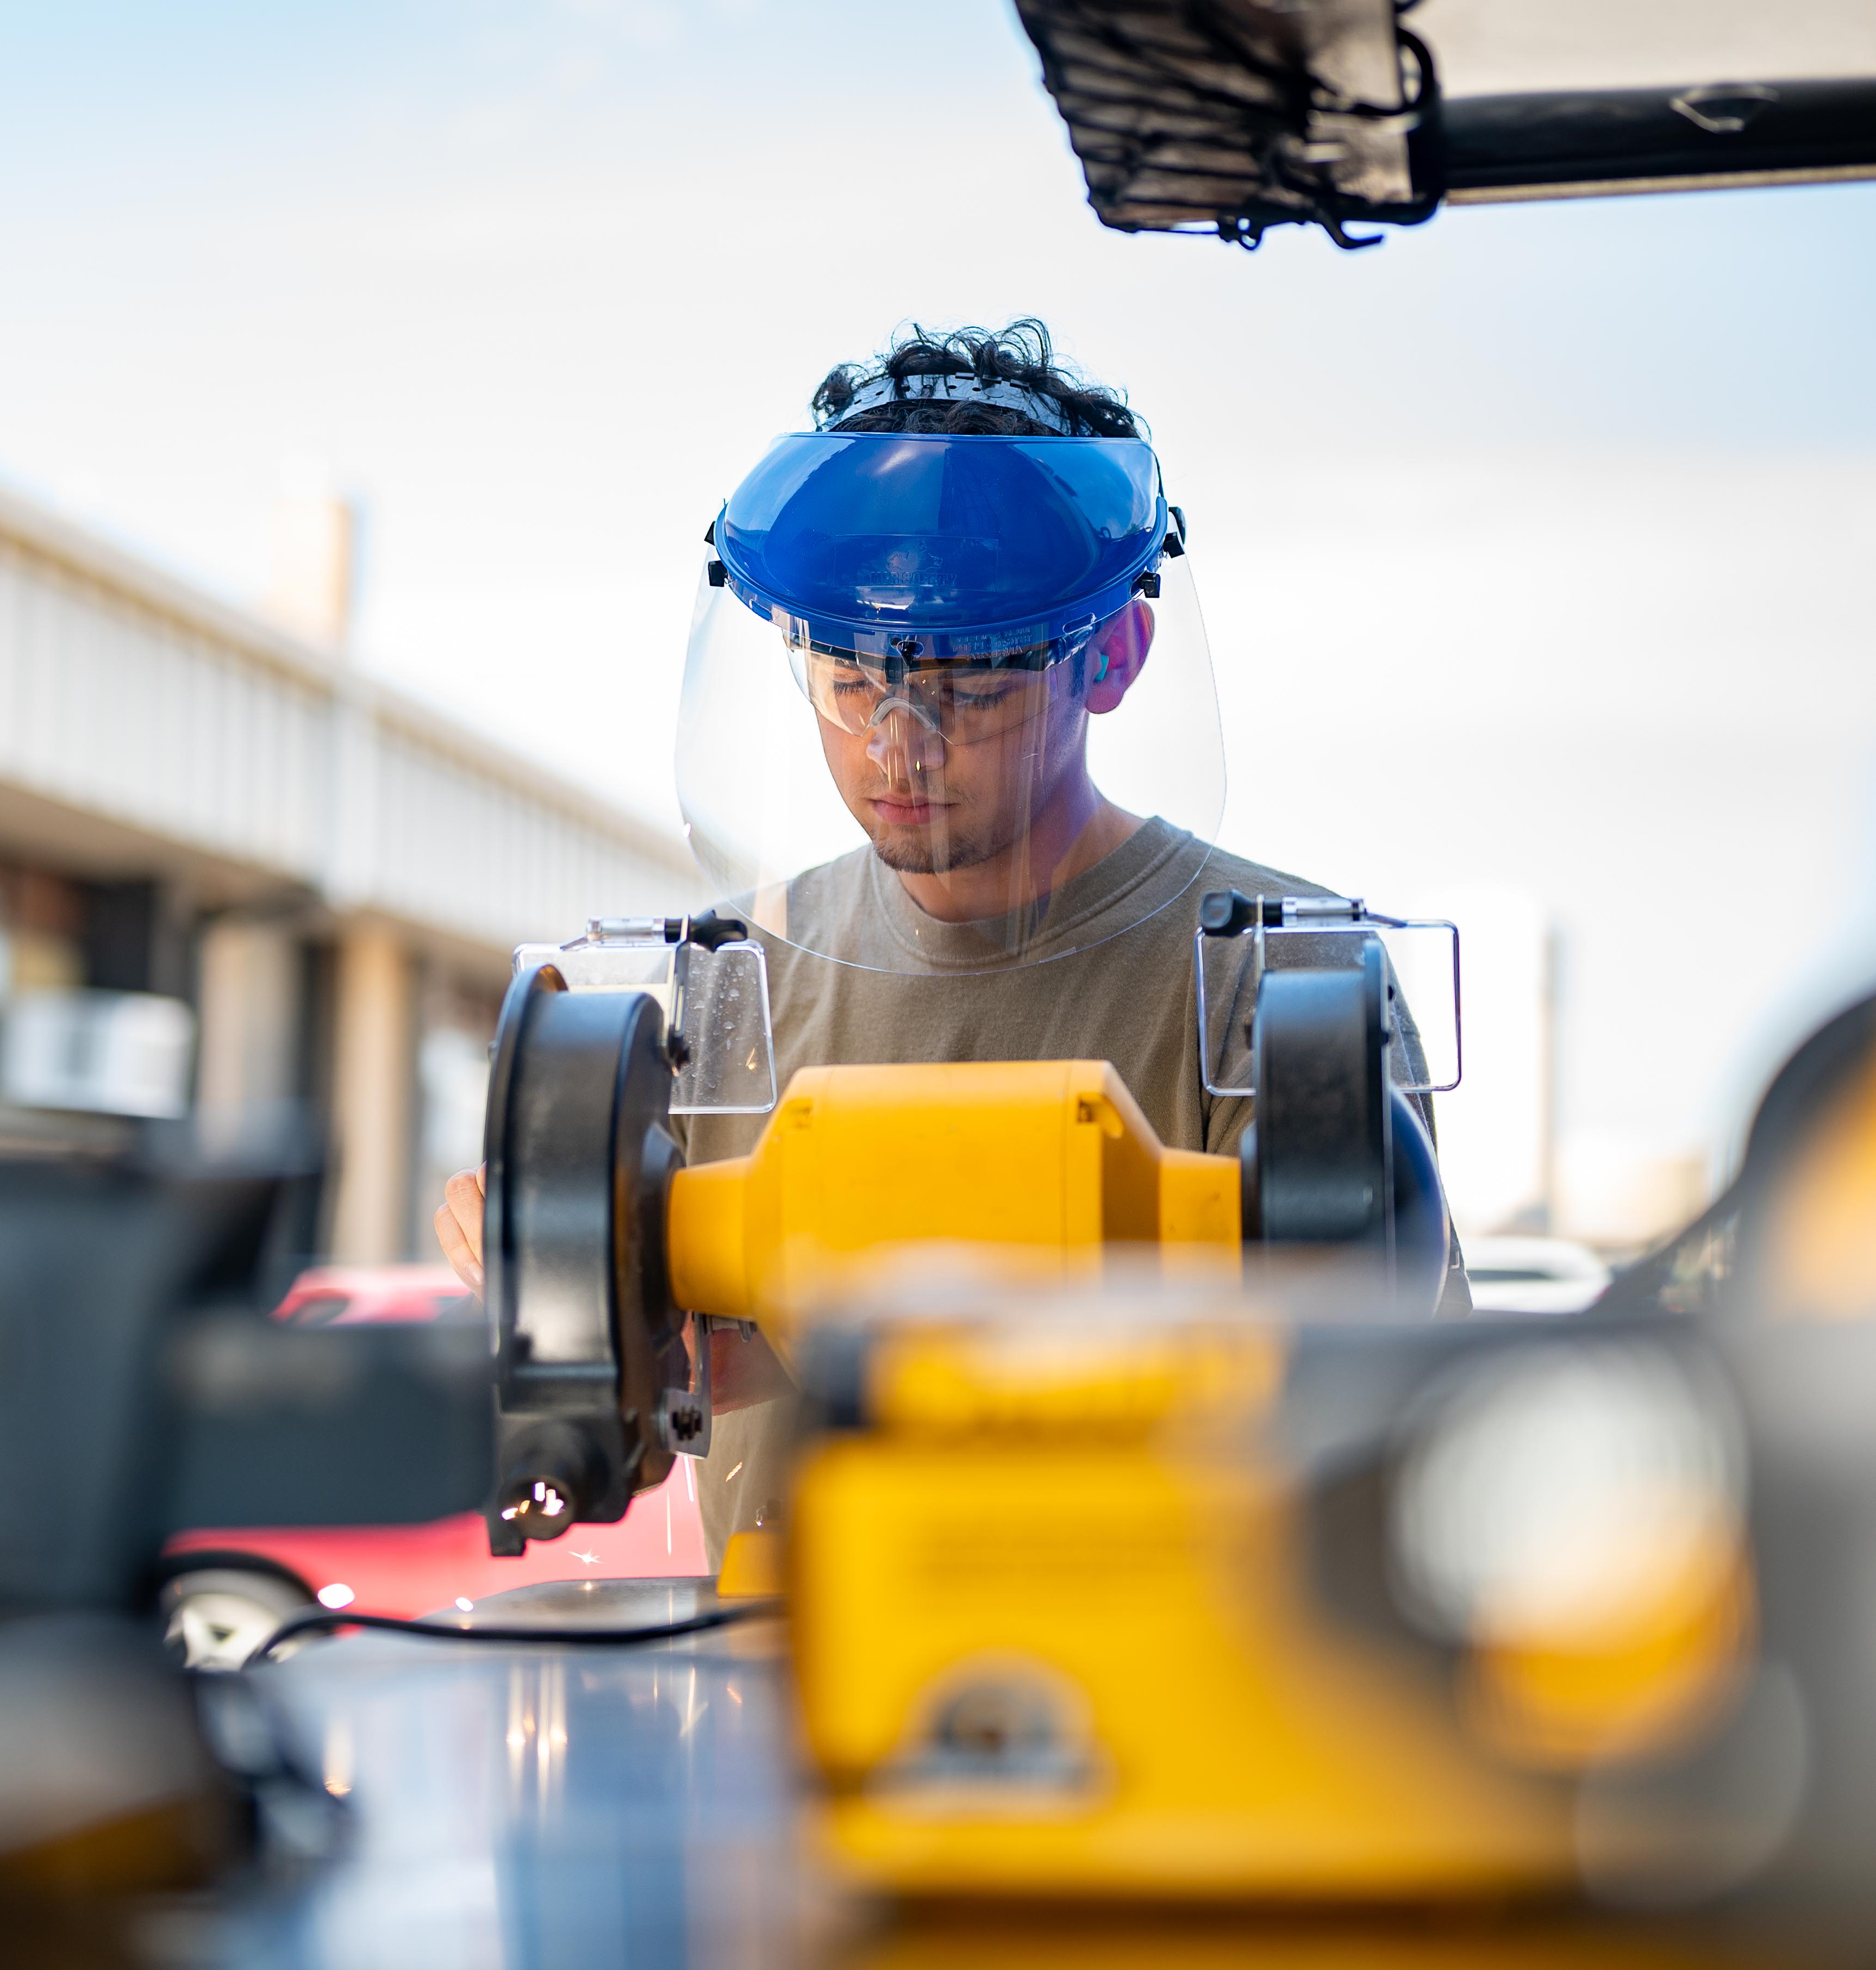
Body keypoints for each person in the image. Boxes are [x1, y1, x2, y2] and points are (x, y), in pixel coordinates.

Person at [437, 319, 1459, 1566]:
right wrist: (563, 1273)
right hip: (775, 1691)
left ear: (1116, 652)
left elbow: (1373, 1409)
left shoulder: (1286, 979)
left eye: (969, 678)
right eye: (851, 675)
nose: (897, 742)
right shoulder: (733, 979)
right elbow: (690, 1371)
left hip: (1158, 1703)